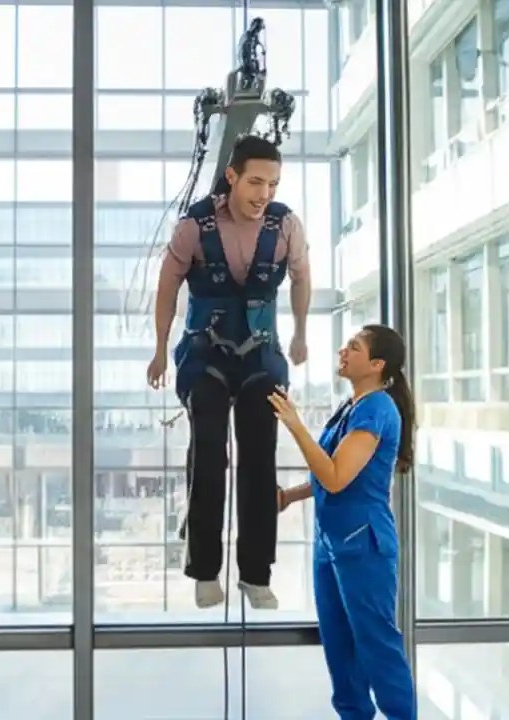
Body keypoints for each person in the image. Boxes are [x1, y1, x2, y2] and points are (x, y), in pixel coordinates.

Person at [147, 134, 311, 610]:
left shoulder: (285, 226)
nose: (264, 193)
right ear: (233, 177)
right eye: (256, 181)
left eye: (273, 184)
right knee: (209, 450)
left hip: (261, 356)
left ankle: (255, 574)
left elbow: (302, 277)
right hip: (205, 355)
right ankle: (203, 568)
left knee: (260, 457)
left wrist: (300, 333)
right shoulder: (194, 227)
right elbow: (166, 287)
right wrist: (160, 350)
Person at [268, 324, 417, 720]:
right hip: (331, 544)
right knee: (340, 650)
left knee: (376, 646)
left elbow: (336, 478)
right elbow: (330, 475)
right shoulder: (351, 406)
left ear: (377, 364)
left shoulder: (377, 409)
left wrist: (296, 426)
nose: (343, 351)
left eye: (354, 347)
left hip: (363, 546)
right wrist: (288, 497)